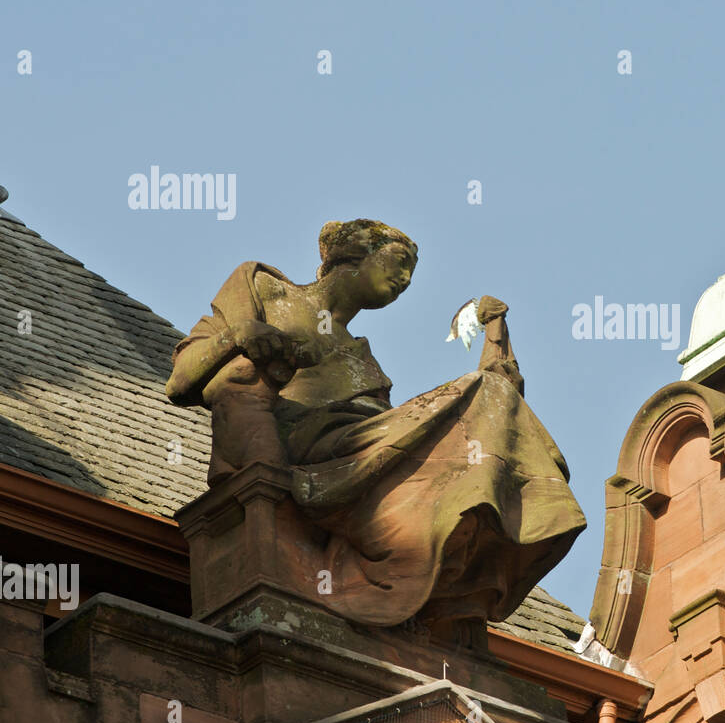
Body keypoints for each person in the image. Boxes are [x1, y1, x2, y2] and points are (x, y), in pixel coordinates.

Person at [166, 219, 585, 633]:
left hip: (366, 450)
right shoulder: (265, 288)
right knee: (484, 394)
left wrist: (494, 343)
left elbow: (392, 430)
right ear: (353, 255)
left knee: (490, 400)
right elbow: (181, 379)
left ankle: (450, 564)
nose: (404, 280)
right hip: (313, 443)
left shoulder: (363, 360)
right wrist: (240, 335)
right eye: (398, 262)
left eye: (411, 273)